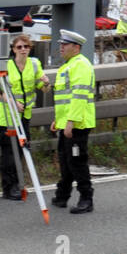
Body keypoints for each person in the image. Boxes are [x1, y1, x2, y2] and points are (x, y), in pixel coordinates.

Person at [0, 35, 49, 200]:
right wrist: (12, 102)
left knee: (22, 151)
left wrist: (46, 83)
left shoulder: (34, 64)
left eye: (26, 46)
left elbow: (42, 88)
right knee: (9, 154)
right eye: (19, 47)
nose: (23, 49)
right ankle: (9, 188)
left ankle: (18, 184)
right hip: (7, 118)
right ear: (13, 49)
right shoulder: (6, 66)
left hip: (24, 117)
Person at [50, 29, 96, 214]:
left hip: (78, 125)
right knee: (65, 160)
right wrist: (59, 120)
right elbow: (65, 99)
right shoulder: (69, 65)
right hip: (67, 123)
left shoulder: (81, 65)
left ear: (76, 47)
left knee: (77, 162)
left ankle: (86, 198)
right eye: (61, 44)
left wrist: (70, 122)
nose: (61, 47)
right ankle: (62, 196)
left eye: (65, 45)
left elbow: (78, 96)